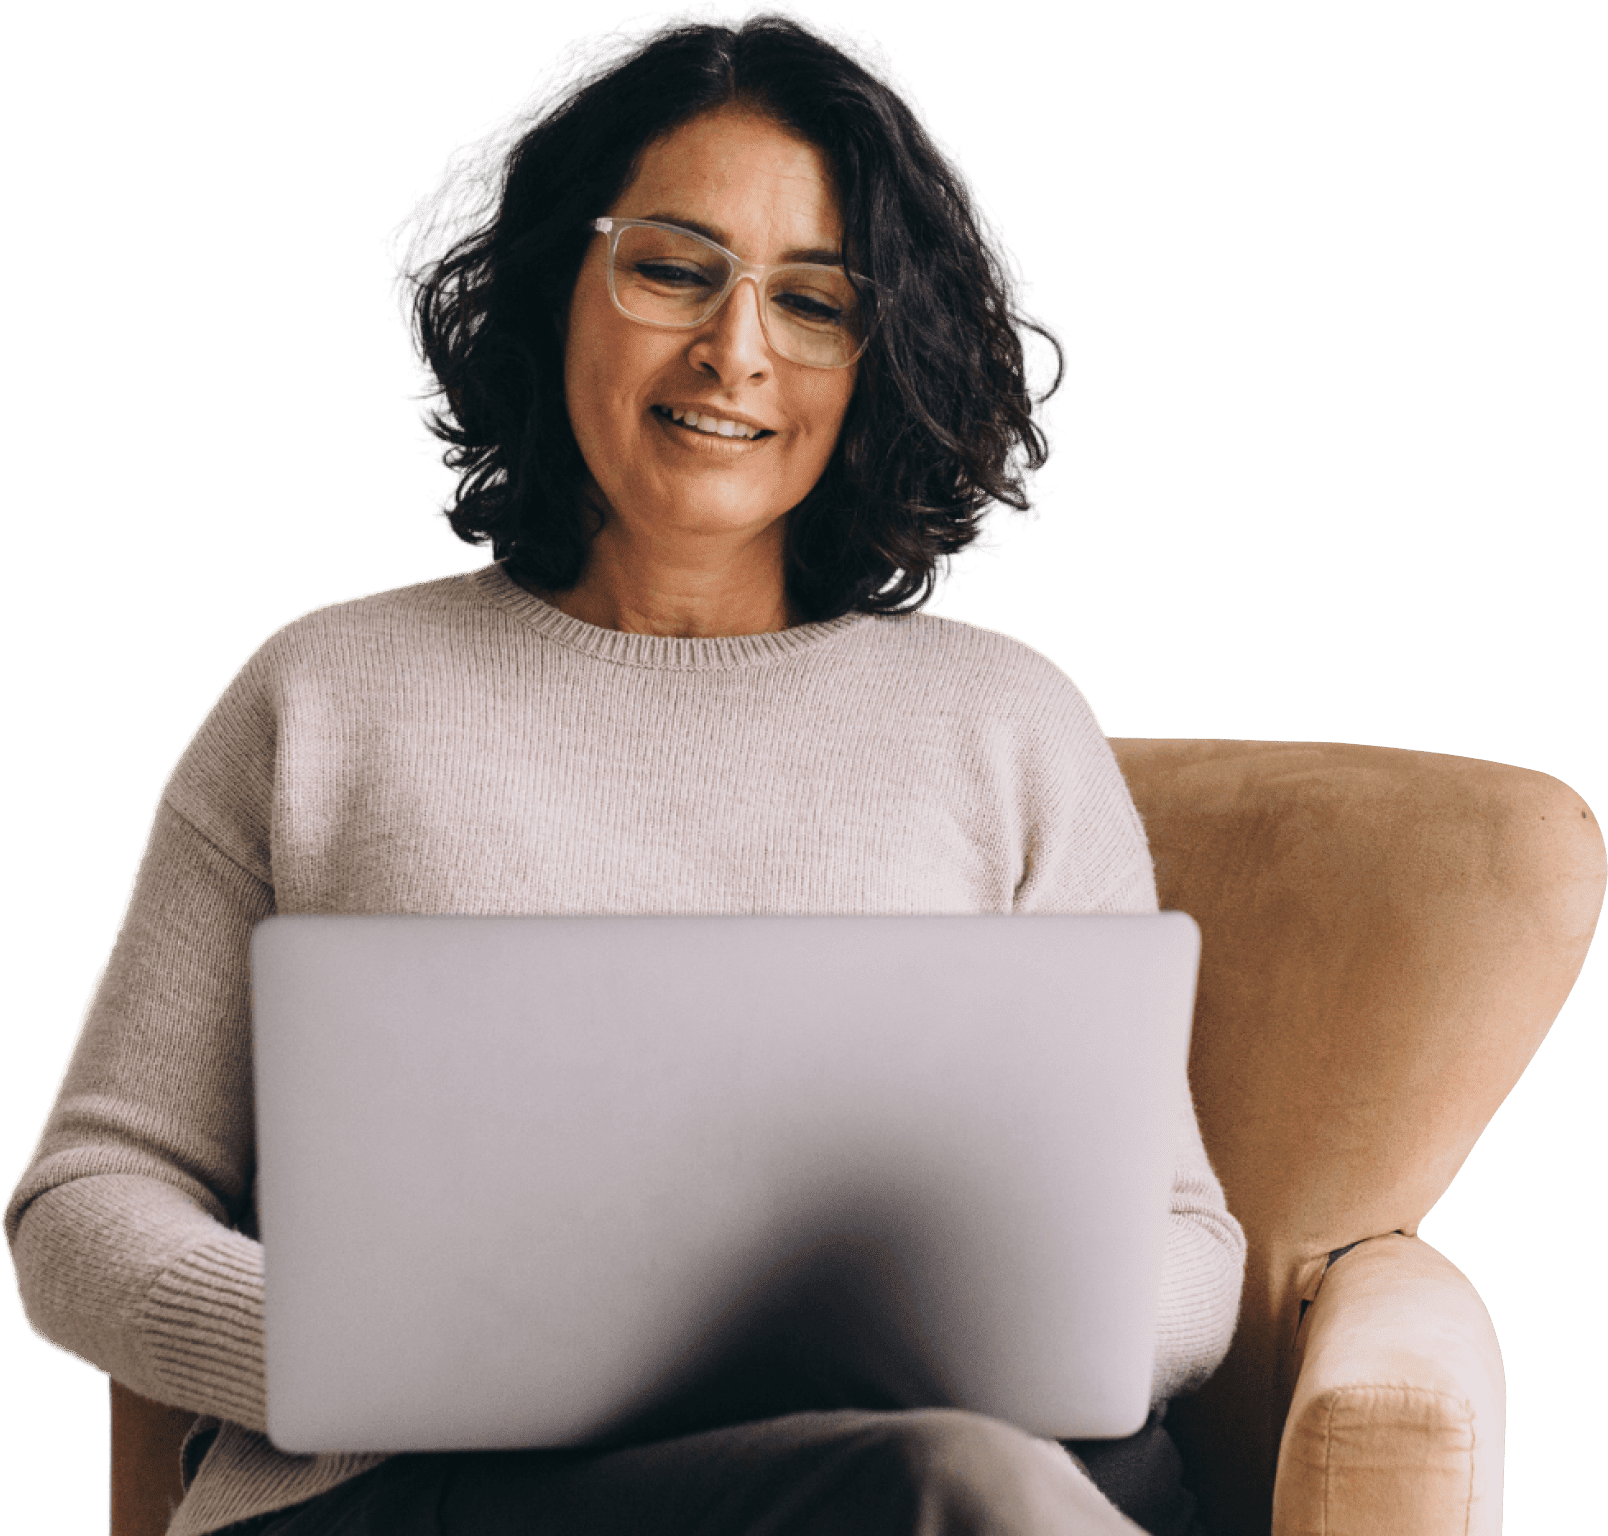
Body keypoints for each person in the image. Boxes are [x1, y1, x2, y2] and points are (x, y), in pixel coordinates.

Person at [4, 11, 1245, 1534]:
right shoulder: (322, 691)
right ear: (556, 285)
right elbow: (85, 1203)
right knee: (955, 1488)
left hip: (937, 1463)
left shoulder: (1006, 722)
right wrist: (348, 1353)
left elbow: (1182, 1243)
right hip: (435, 1495)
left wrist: (1013, 1359)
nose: (735, 350)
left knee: (952, 1474)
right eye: (673, 269)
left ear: (880, 361)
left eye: (815, 301)